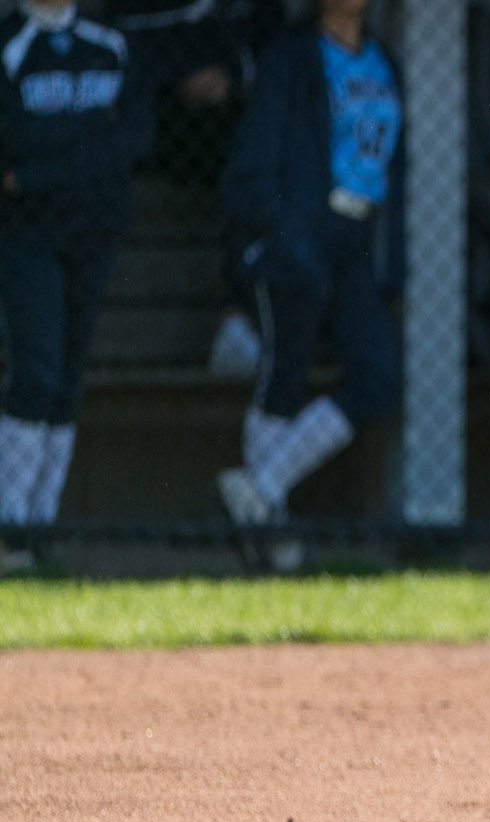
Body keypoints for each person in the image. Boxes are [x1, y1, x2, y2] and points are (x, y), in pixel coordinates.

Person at [215, 0, 403, 572]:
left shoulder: (383, 60)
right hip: (301, 233)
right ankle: (267, 535)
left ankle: (257, 488)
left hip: (358, 235)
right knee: (285, 371)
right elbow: (256, 161)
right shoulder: (291, 58)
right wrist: (282, 235)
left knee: (377, 380)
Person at [0, 0, 153, 573]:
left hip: (94, 230)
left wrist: (39, 170)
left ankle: (42, 527)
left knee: (66, 378)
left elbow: (137, 134)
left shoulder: (109, 41)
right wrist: (88, 144)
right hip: (25, 237)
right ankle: (9, 527)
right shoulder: (10, 43)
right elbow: (13, 138)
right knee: (35, 370)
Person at [107, 0, 286, 376]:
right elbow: (121, 41)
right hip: (159, 125)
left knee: (264, 158)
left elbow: (272, 41)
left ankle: (240, 320)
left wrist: (232, 76)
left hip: (231, 121)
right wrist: (179, 78)